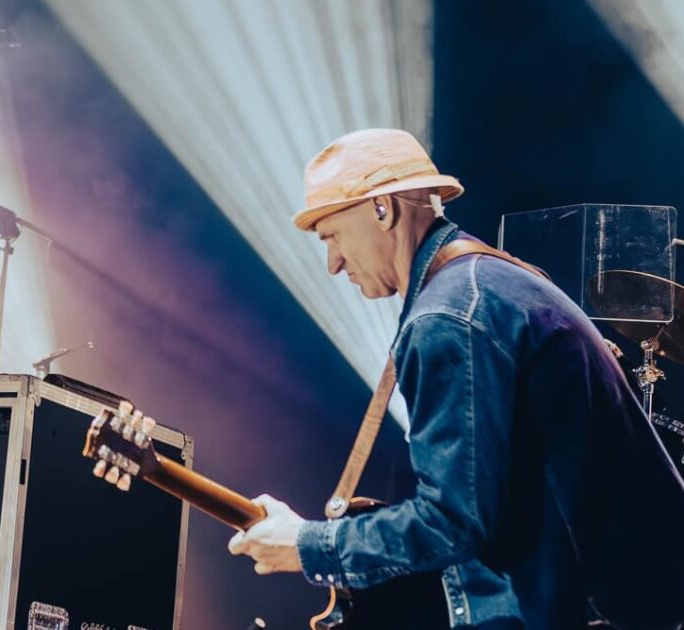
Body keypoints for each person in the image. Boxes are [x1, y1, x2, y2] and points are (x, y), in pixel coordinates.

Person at [226, 129, 684, 628]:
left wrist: (306, 545)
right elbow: (495, 515)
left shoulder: (448, 317)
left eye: (332, 236)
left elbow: (452, 523)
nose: (333, 263)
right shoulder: (494, 281)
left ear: (382, 209)